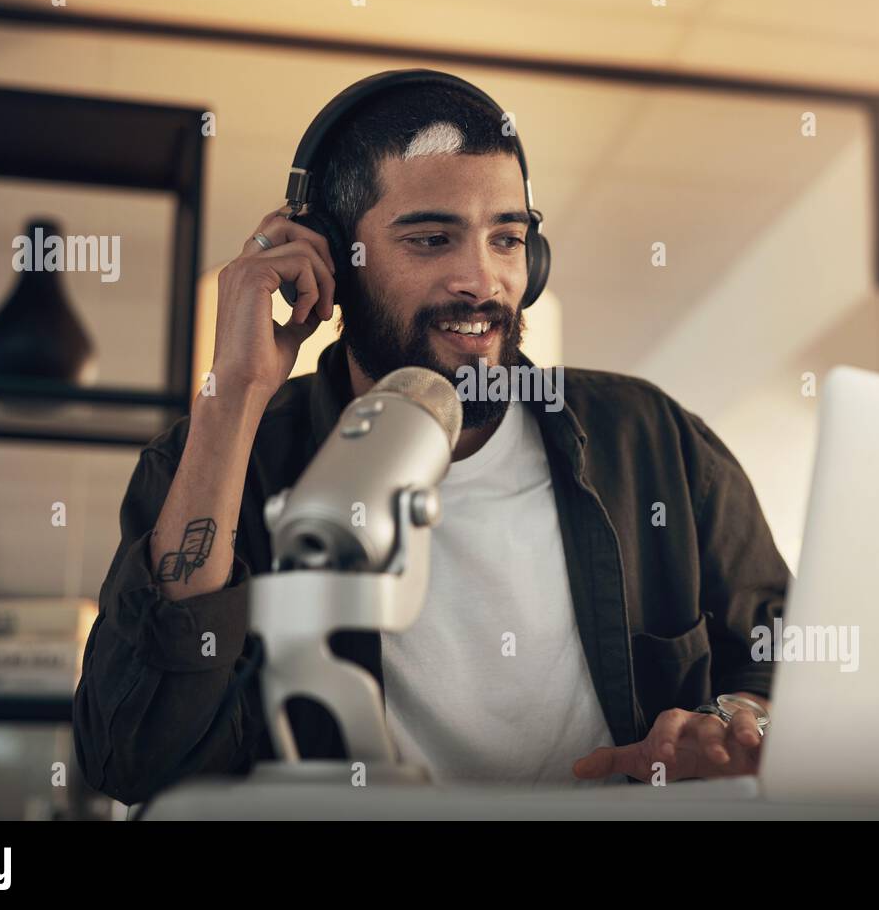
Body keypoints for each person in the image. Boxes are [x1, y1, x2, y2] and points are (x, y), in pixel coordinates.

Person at [73, 76, 791, 805]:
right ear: (332, 261)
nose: (482, 280)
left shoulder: (653, 442)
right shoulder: (232, 460)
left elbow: (789, 669)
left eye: (507, 239)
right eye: (430, 238)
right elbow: (132, 758)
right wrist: (233, 397)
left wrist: (740, 720)